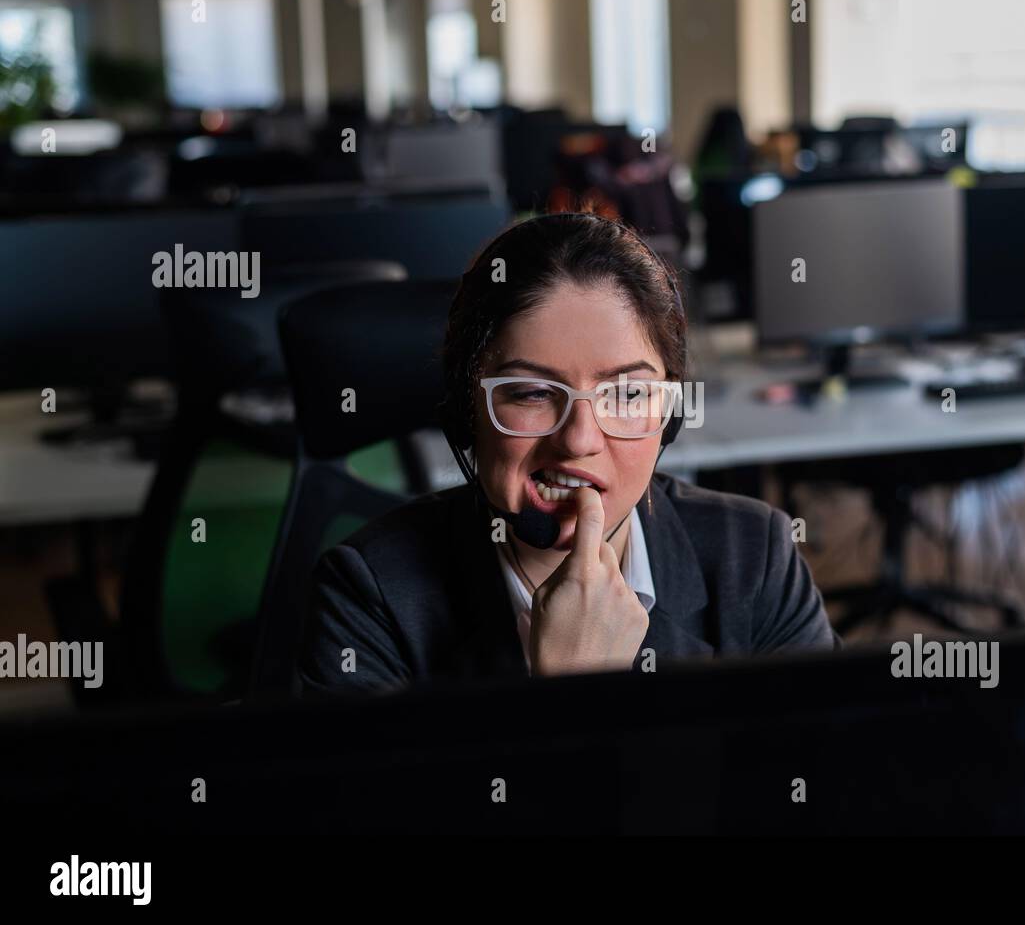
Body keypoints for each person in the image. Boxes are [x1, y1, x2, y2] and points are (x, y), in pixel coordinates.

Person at [297, 212, 838, 694]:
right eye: (532, 393)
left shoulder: (756, 557)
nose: (579, 440)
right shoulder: (368, 596)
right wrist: (570, 692)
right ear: (469, 415)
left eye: (627, 394)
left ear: (667, 417)